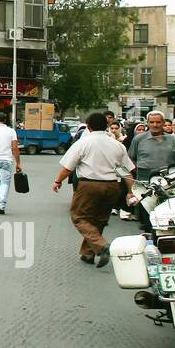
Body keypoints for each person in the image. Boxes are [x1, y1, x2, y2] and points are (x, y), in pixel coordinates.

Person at [52, 111, 135, 268]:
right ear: (107, 126)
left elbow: (68, 167)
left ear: (88, 127)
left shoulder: (83, 143)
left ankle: (102, 245)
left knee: (79, 217)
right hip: (112, 185)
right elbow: (126, 171)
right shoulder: (117, 145)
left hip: (89, 185)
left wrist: (58, 181)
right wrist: (131, 190)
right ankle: (88, 253)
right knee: (99, 220)